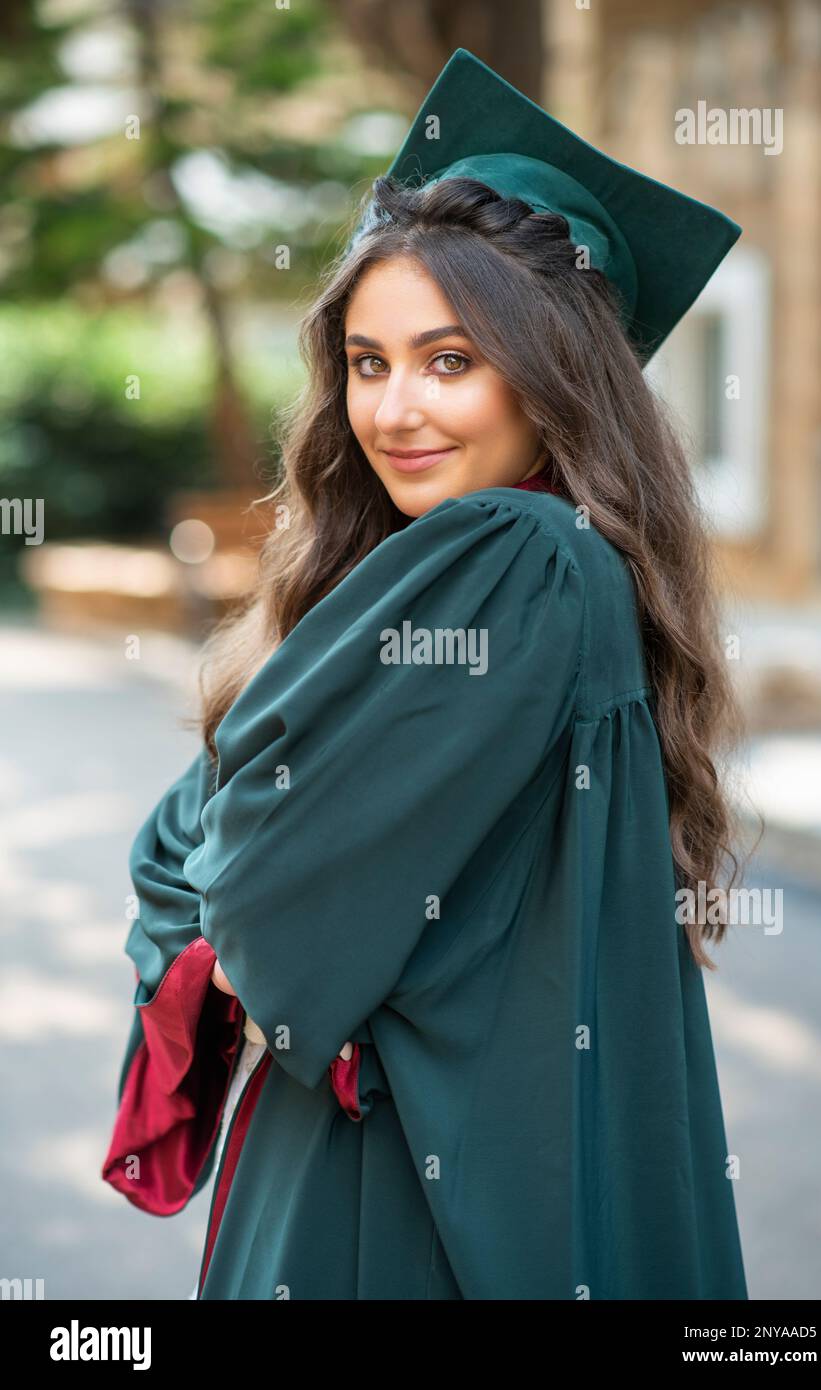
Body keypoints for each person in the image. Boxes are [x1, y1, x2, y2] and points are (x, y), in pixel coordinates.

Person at [102, 48, 751, 1300]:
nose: (396, 410)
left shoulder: (516, 555)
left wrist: (223, 907)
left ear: (556, 375)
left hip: (393, 1202)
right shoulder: (554, 567)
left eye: (453, 360)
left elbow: (243, 911)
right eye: (368, 361)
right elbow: (232, 856)